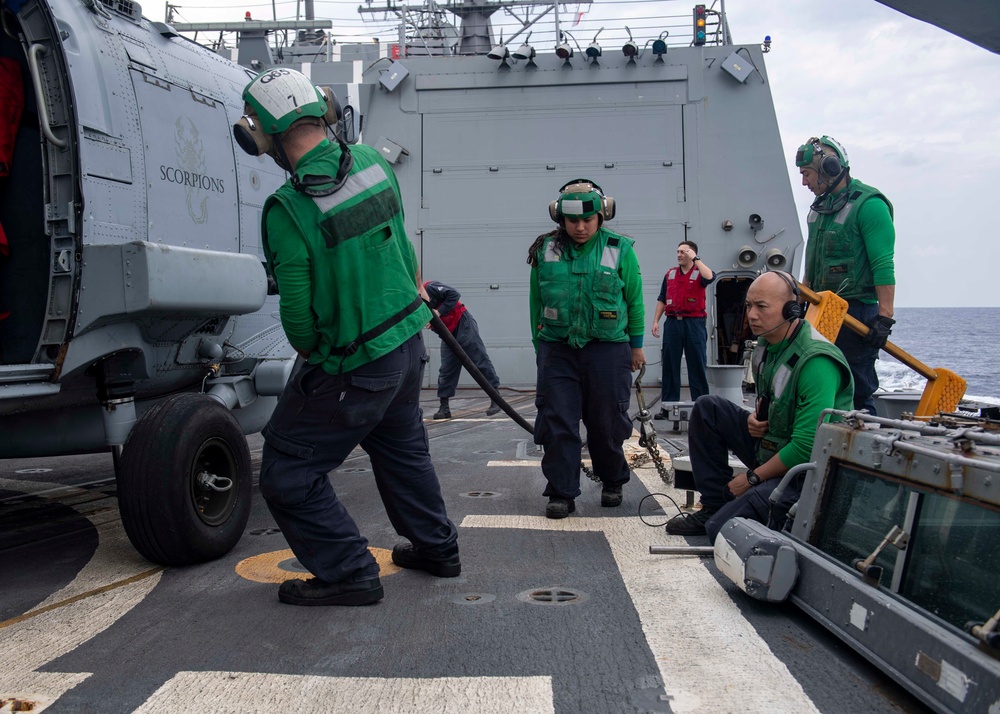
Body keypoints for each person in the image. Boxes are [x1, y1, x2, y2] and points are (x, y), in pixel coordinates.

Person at [234, 68, 459, 606]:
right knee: (402, 452)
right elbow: (403, 249)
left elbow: (298, 313)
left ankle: (350, 571)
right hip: (408, 344)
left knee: (287, 473)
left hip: (355, 365)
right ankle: (437, 548)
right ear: (325, 109)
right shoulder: (375, 163)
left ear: (260, 136)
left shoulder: (288, 208)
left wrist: (317, 356)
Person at [665, 271, 854, 542]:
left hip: (806, 472)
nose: (751, 315)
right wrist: (755, 418)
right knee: (708, 408)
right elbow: (775, 400)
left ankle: (741, 510)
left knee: (722, 531)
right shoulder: (767, 344)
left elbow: (807, 446)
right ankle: (715, 504)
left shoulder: (816, 363)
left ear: (791, 309)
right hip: (773, 446)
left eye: (761, 307)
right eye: (749, 306)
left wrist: (752, 479)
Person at [527, 179, 645, 519]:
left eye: (587, 220)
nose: (580, 227)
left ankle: (612, 479)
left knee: (606, 422)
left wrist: (636, 347)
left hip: (608, 351)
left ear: (601, 217)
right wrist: (541, 350)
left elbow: (634, 301)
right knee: (558, 422)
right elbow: (536, 303)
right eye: (572, 221)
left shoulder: (619, 248)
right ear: (559, 219)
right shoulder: (546, 249)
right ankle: (562, 492)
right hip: (557, 351)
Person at [796, 135, 896, 413]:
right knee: (818, 383)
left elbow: (883, 263)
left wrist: (884, 318)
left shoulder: (870, 205)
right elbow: (812, 263)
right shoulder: (818, 211)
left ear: (829, 167)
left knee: (857, 389)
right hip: (820, 309)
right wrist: (802, 301)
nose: (804, 182)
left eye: (807, 174)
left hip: (856, 313)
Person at [650, 241, 714, 419]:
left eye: (683, 252)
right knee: (670, 364)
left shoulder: (700, 272)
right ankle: (668, 407)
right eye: (677, 251)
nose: (678, 255)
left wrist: (696, 259)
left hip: (694, 323)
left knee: (697, 365)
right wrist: (656, 320)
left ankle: (702, 407)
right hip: (673, 324)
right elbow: (662, 298)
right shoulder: (670, 274)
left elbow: (710, 277)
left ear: (692, 254)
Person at [423, 280, 502, 419]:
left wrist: (438, 312)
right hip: (447, 332)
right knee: (447, 369)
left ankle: (496, 399)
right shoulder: (414, 303)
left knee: (479, 360)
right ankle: (444, 408)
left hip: (463, 324)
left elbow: (454, 294)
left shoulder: (430, 288)